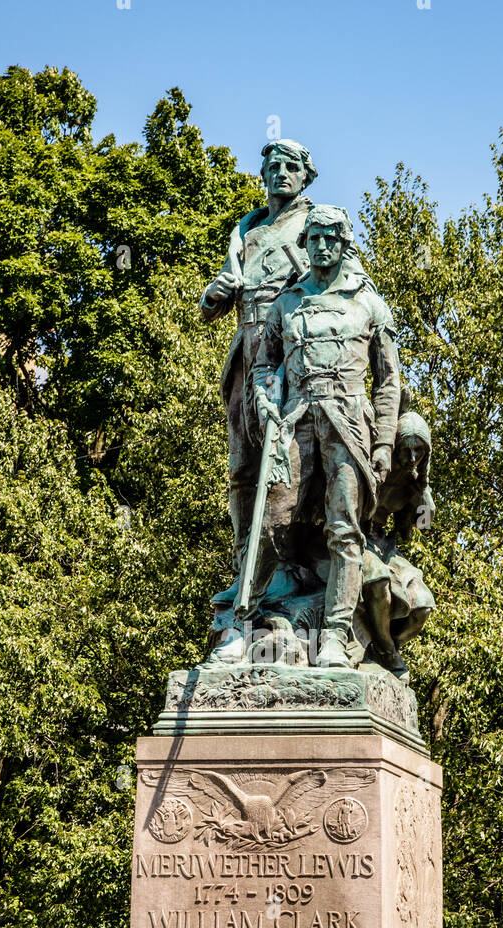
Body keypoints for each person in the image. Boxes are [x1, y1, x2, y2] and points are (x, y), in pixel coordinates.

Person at [251, 205, 401, 668]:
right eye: (314, 237)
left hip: (349, 425)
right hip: (295, 421)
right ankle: (248, 621)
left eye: (330, 238)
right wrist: (264, 405)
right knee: (272, 521)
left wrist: (383, 445)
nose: (321, 246)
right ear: (307, 242)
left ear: (343, 244)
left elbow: (389, 381)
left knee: (344, 529)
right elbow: (261, 365)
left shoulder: (369, 303)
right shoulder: (287, 302)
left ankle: (336, 634)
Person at [200, 139, 317, 597]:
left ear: (306, 176)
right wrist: (214, 294)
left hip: (289, 357)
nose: (281, 174)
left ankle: (282, 567)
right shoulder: (246, 231)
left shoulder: (315, 226)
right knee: (242, 469)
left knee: (283, 464)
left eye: (291, 167)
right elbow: (213, 308)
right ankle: (241, 569)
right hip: (245, 355)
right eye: (272, 166)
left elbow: (344, 288)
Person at [359, 400, 436, 679]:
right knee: (378, 580)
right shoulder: (374, 466)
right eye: (407, 449)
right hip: (356, 538)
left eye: (419, 451)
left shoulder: (412, 483)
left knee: (423, 605)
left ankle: (387, 646)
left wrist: (424, 502)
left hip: (384, 544)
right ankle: (386, 651)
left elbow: (417, 529)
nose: (412, 457)